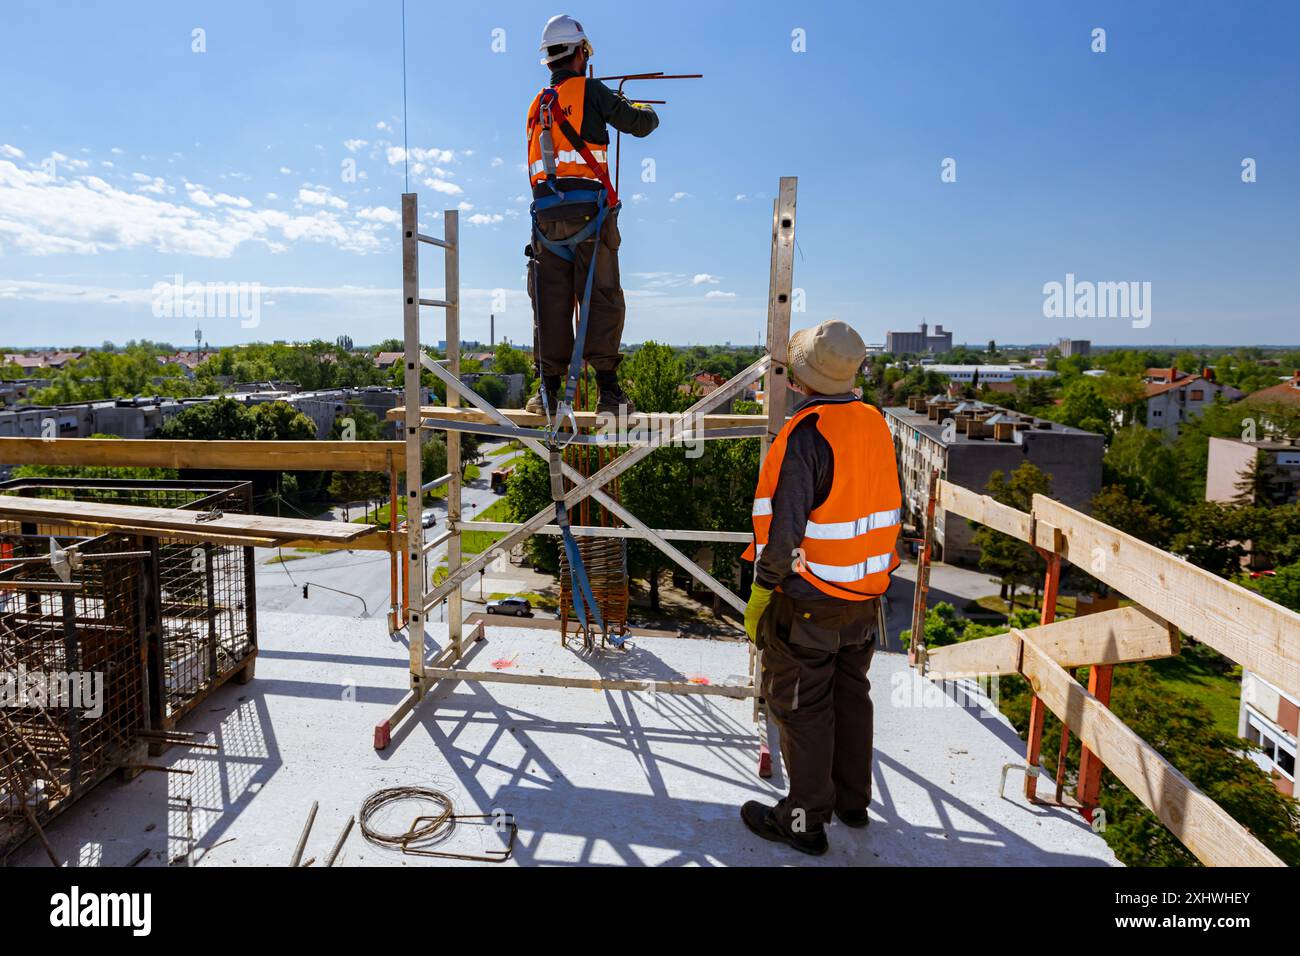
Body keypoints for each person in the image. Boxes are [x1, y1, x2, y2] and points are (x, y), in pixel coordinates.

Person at [739, 319, 902, 855]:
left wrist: (763, 589)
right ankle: (852, 803)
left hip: (810, 597)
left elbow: (785, 532)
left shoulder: (807, 435)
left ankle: (804, 820)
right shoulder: (874, 422)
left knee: (801, 706)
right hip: (865, 598)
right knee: (850, 697)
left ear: (802, 378)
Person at [524, 14, 658, 415]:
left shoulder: (536, 105)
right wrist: (640, 105)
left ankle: (547, 393)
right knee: (601, 297)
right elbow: (641, 124)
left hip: (546, 219)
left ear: (549, 60)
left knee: (551, 301)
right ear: (581, 53)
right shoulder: (590, 90)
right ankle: (609, 394)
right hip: (589, 216)